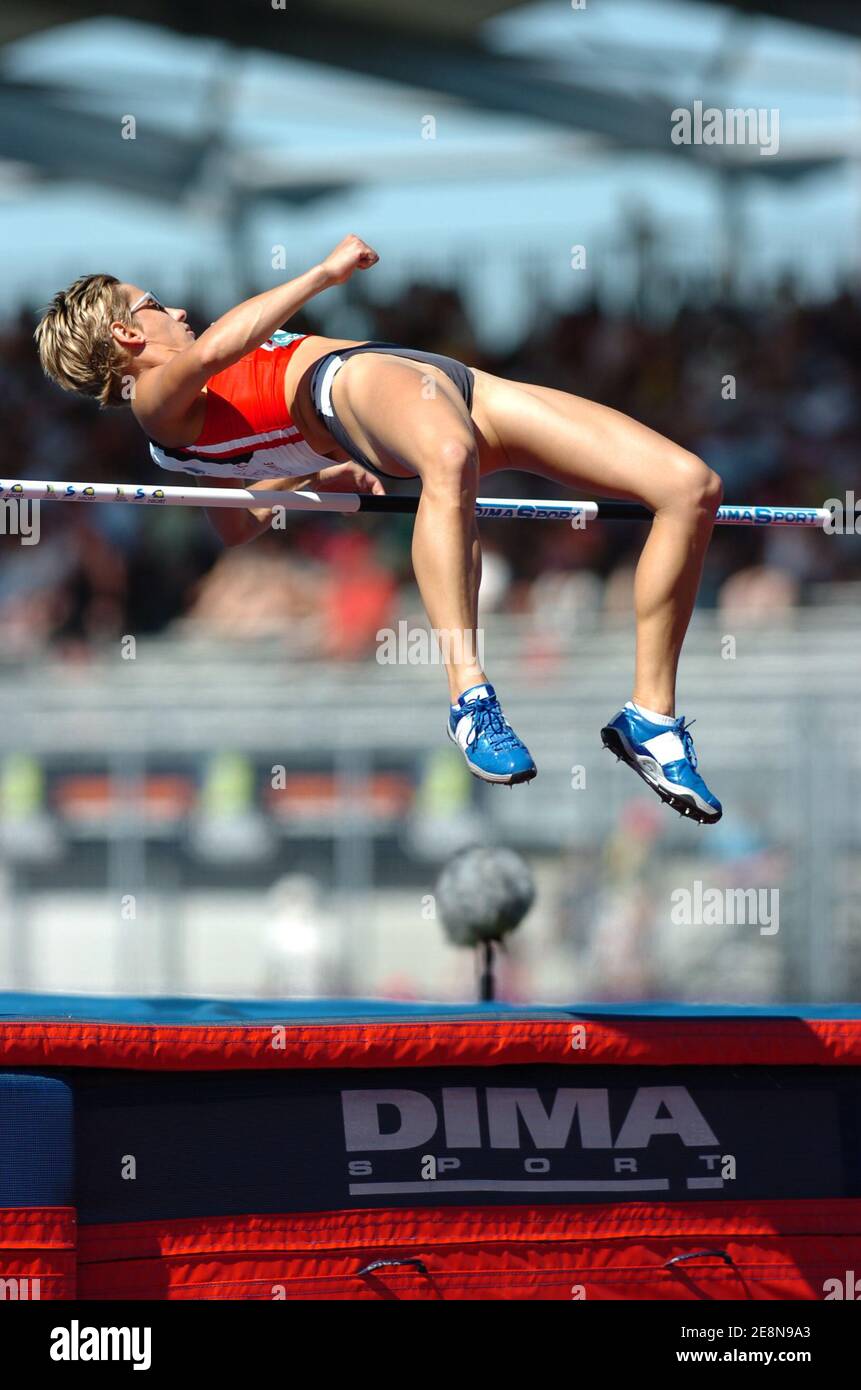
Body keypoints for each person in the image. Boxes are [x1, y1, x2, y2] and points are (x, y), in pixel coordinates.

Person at [35, 235, 723, 821]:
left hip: (446, 384)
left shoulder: (184, 435)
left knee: (689, 487)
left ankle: (649, 720)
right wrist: (322, 275)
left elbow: (238, 521)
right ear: (127, 335)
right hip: (356, 384)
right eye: (154, 306)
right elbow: (219, 349)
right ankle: (469, 698)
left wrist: (312, 480)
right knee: (448, 461)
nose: (176, 309)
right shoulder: (155, 401)